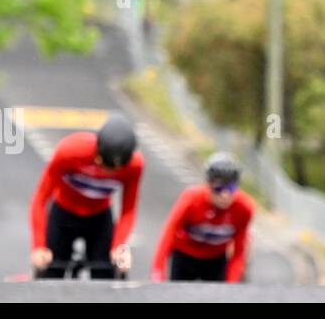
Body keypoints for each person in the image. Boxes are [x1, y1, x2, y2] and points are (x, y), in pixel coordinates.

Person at [29, 113, 143, 279]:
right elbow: (40, 200)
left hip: (99, 218)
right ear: (97, 152)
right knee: (50, 272)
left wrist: (120, 247)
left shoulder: (135, 166)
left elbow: (129, 210)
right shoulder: (69, 151)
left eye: (115, 170)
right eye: (104, 165)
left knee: (107, 275)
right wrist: (38, 246)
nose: (107, 172)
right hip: (63, 214)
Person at [151, 152, 254, 283]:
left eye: (231, 188)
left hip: (215, 260)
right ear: (208, 185)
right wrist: (158, 271)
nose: (225, 195)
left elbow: (239, 249)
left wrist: (231, 284)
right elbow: (169, 233)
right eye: (219, 188)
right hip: (185, 256)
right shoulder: (191, 199)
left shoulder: (244, 208)